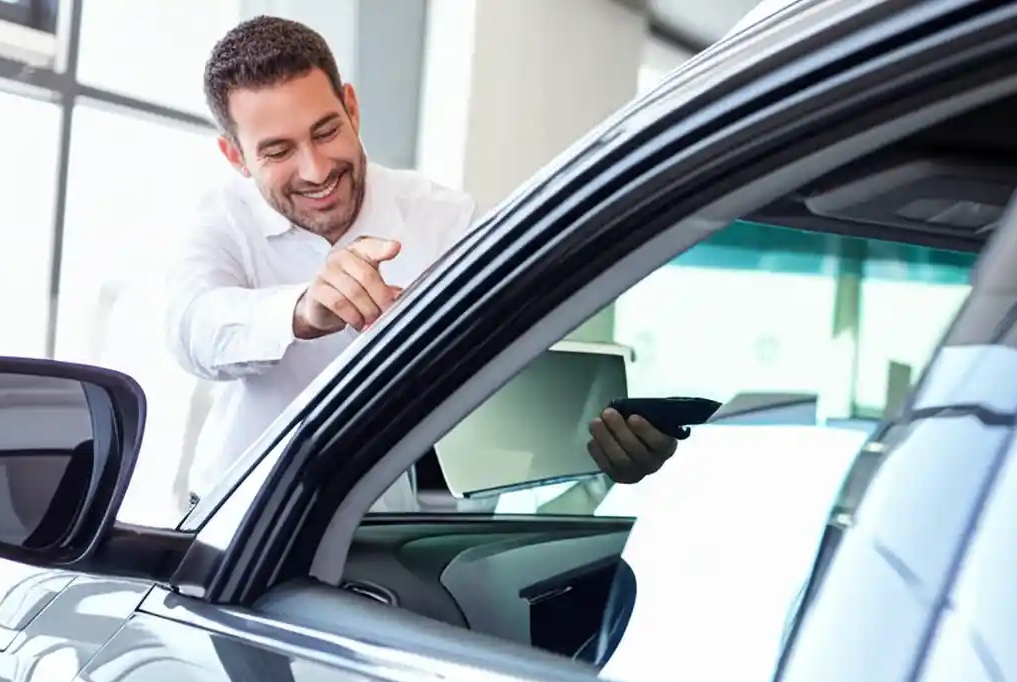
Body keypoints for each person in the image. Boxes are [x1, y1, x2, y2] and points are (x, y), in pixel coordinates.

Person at [165, 16, 676, 502]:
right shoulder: (221, 222)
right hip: (237, 530)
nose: (316, 169)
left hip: (392, 531)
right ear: (235, 156)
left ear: (352, 108)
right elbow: (192, 329)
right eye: (278, 151)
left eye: (326, 132)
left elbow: (513, 377)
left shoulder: (450, 221)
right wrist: (302, 310)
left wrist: (599, 456)